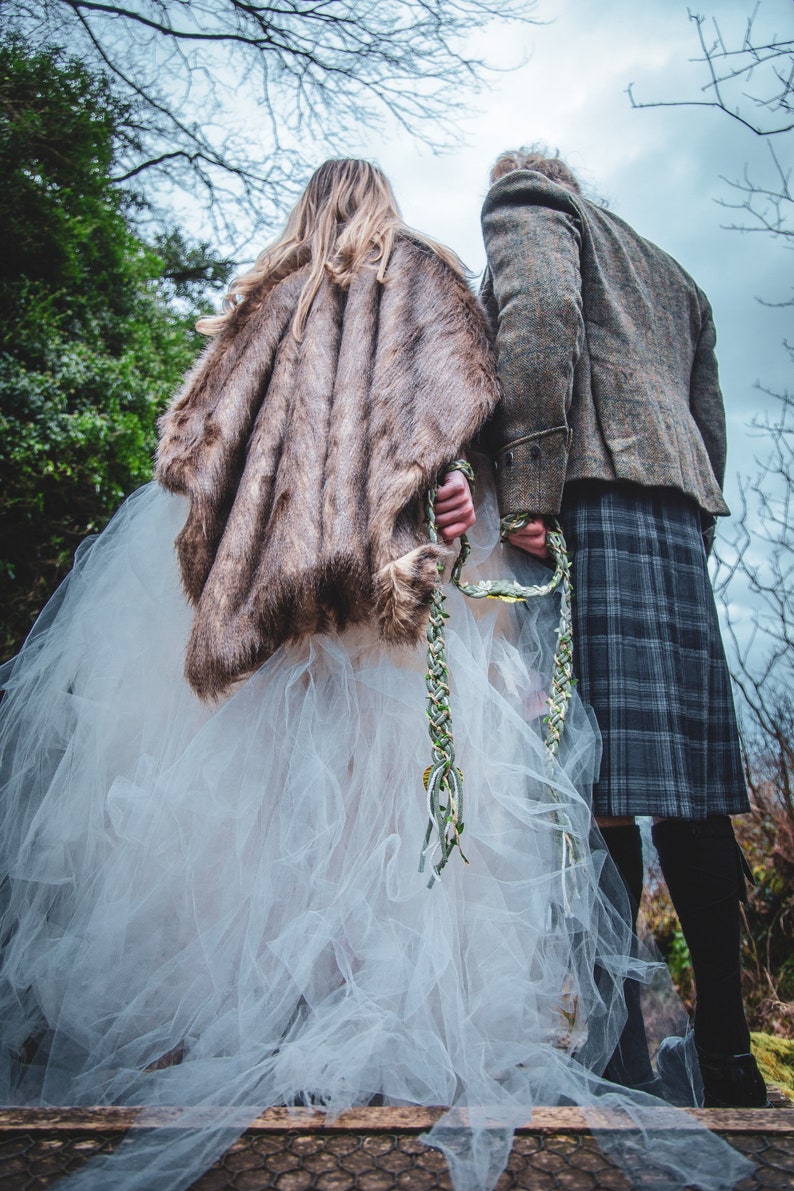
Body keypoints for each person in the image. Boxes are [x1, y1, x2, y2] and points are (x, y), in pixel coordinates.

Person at [0, 158, 751, 1191]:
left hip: (273, 595)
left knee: (271, 802)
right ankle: (415, 1025)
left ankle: (286, 1018)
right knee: (394, 808)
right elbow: (453, 414)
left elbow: (190, 452)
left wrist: (247, 545)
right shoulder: (427, 275)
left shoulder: (261, 301)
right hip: (404, 583)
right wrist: (458, 495)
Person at [480, 147, 767, 1108]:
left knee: (588, 781)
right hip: (676, 518)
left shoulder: (528, 204)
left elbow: (540, 321)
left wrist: (526, 486)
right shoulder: (673, 276)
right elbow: (708, 421)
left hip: (589, 503)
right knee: (688, 791)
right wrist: (693, 525)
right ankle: (727, 1056)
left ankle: (624, 1061)